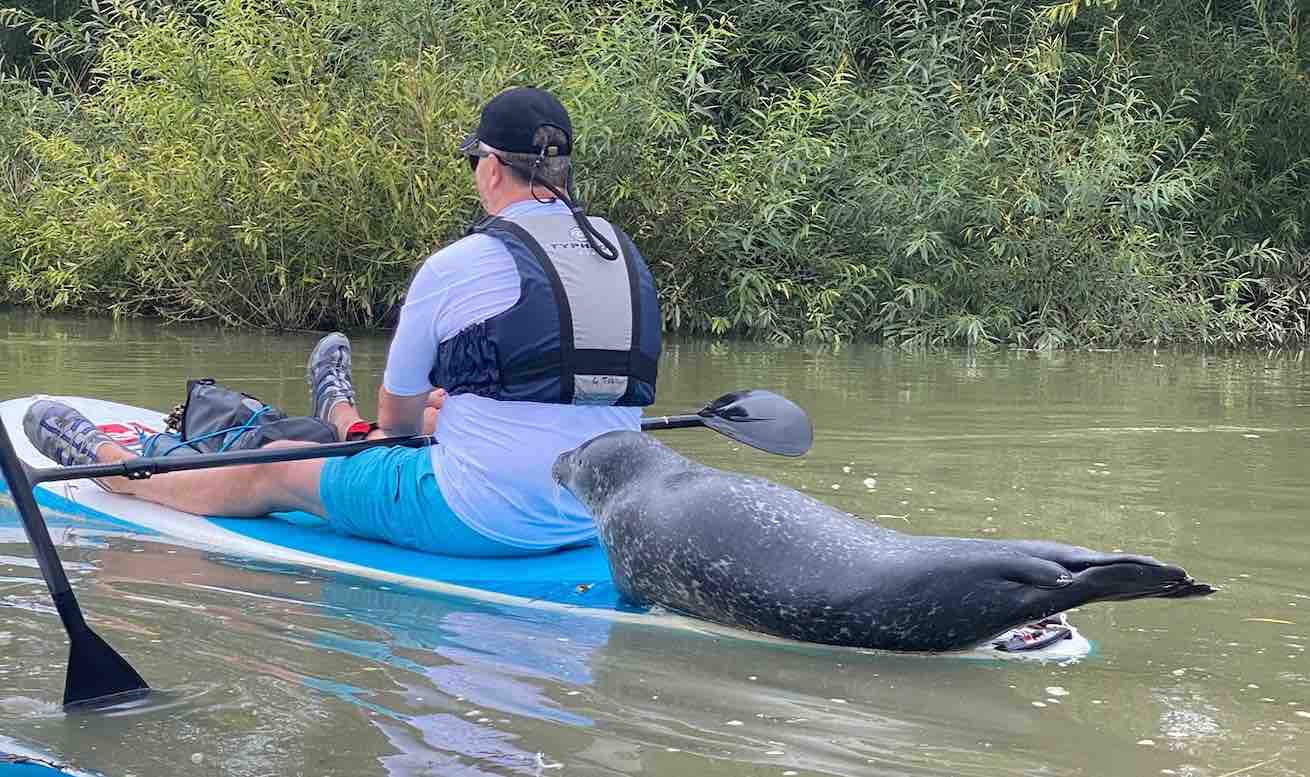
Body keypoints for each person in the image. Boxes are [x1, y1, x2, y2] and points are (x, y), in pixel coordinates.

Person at [23, 86, 663, 558]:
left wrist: (412, 418)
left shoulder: (462, 263)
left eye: (475, 164)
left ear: (491, 167)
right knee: (447, 405)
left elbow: (401, 424)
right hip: (591, 511)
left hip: (484, 519)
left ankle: (115, 467)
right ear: (563, 169)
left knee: (278, 460)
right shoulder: (626, 256)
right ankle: (337, 413)